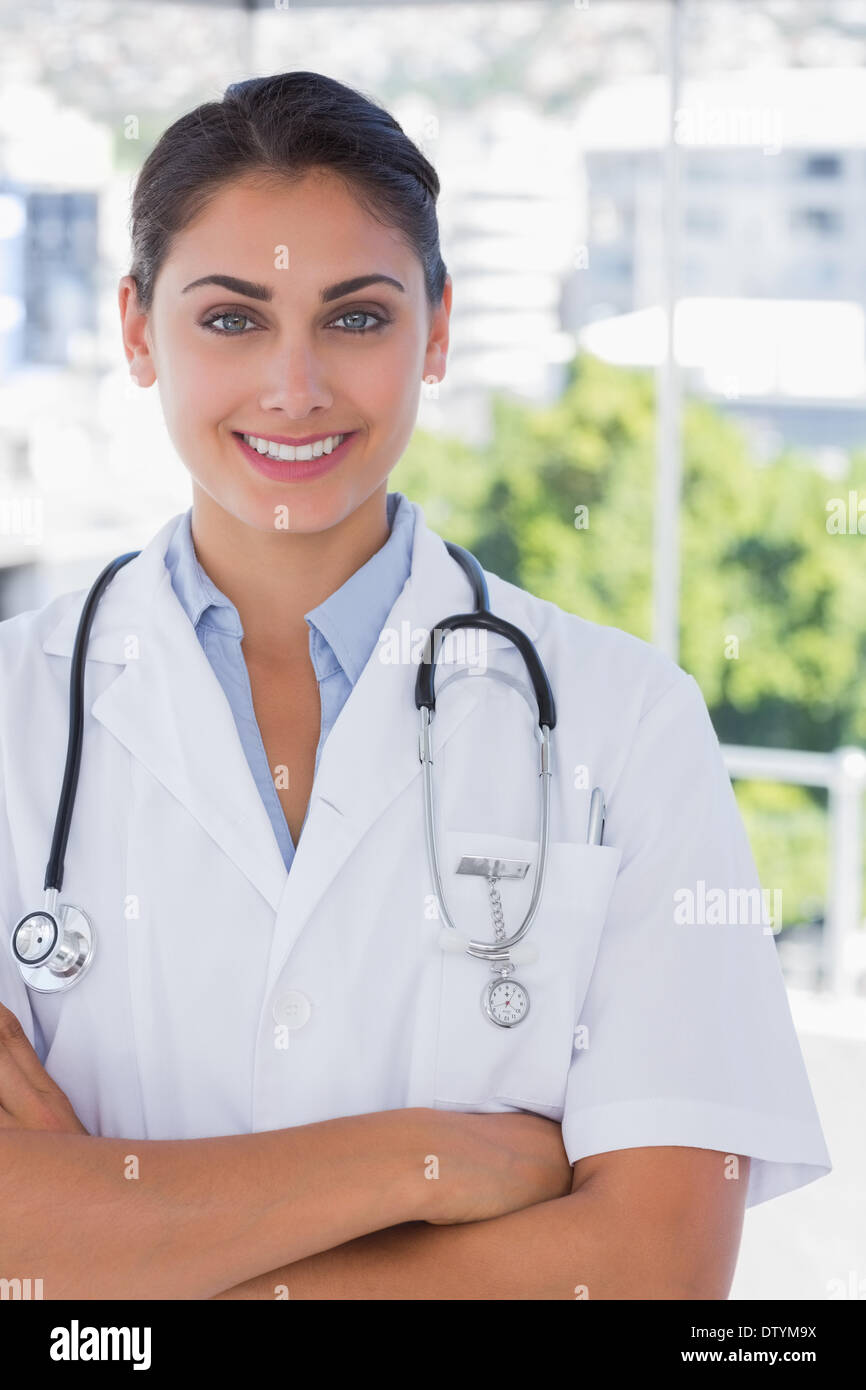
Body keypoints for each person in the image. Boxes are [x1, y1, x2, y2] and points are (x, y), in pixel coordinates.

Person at [0, 71, 830, 1301]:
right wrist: (425, 1161)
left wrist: (131, 1257)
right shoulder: (20, 712)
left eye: (356, 317)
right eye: (231, 318)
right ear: (135, 330)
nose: (295, 385)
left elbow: (650, 1268)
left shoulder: (627, 721)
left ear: (436, 330)